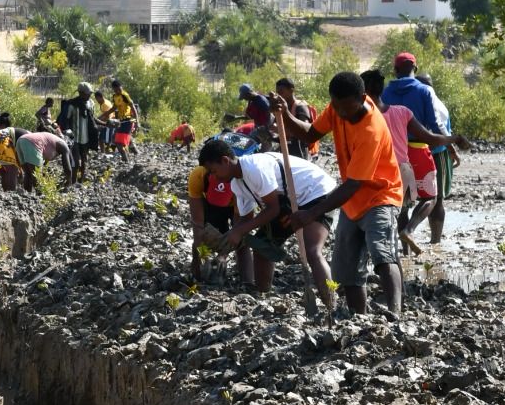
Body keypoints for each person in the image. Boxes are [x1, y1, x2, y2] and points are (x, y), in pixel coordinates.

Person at [278, 72, 408, 316]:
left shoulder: (371, 129)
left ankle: (396, 314)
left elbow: (353, 184)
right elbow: (309, 134)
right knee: (346, 269)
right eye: (336, 107)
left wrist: (311, 214)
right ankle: (358, 317)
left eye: (347, 108)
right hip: (352, 201)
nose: (341, 114)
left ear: (362, 98)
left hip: (381, 195)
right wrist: (285, 114)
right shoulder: (337, 108)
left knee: (382, 253)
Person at [199, 138, 339, 310]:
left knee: (312, 251)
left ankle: (332, 308)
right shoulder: (237, 184)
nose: (214, 177)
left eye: (214, 171)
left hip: (316, 193)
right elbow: (245, 219)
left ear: (225, 161)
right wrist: (228, 242)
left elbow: (273, 209)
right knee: (262, 247)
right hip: (289, 202)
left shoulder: (254, 168)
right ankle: (262, 299)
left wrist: (240, 230)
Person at [362, 70, 467, 246]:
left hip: (378, 170)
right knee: (431, 198)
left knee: (398, 210)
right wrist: (454, 139)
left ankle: (401, 251)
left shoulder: (363, 117)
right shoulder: (403, 112)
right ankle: (410, 232)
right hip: (405, 165)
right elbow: (430, 137)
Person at [381, 52, 452, 242]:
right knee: (432, 197)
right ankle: (412, 231)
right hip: (419, 149)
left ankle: (404, 253)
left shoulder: (385, 92)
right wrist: (451, 145)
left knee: (403, 202)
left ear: (395, 70)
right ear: (416, 69)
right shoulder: (425, 91)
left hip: (394, 153)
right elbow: (435, 124)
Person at [186, 143, 241, 283]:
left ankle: (246, 281)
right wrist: (197, 256)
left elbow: (239, 226)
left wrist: (223, 254)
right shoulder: (198, 176)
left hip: (235, 206)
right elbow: (197, 223)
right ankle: (198, 270)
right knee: (205, 232)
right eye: (214, 173)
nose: (216, 176)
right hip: (209, 205)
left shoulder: (240, 184)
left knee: (242, 240)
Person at [417, 72, 461, 242]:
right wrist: (453, 150)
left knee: (407, 200)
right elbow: (443, 131)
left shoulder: (411, 102)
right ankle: (435, 241)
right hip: (437, 153)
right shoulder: (439, 105)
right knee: (437, 198)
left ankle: (405, 242)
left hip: (413, 153)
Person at [57, 83, 100, 182]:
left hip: (86, 138)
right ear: (80, 93)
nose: (89, 95)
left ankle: (81, 180)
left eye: (89, 94)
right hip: (74, 138)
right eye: (87, 94)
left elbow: (93, 118)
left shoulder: (91, 103)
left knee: (84, 161)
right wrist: (67, 132)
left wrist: (106, 123)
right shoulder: (72, 105)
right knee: (76, 163)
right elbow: (65, 120)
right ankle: (72, 182)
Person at [274, 78, 318, 159]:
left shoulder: (300, 107)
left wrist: (279, 129)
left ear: (291, 90)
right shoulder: (283, 107)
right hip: (287, 150)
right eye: (277, 93)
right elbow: (275, 125)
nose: (279, 95)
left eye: (281, 92)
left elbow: (305, 130)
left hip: (299, 152)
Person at [104, 80, 140, 160]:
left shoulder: (125, 95)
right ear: (113, 89)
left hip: (128, 120)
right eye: (116, 90)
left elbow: (133, 107)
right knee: (116, 138)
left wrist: (137, 121)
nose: (117, 91)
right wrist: (106, 113)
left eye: (119, 89)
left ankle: (126, 159)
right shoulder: (115, 97)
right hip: (121, 121)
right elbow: (114, 108)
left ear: (121, 87)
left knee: (119, 142)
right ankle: (135, 152)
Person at [0, 122, 29, 191]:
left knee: (8, 171)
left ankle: (6, 192)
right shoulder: (31, 141)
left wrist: (21, 171)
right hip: (2, 142)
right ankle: (11, 192)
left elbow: (17, 156)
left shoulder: (29, 136)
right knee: (12, 170)